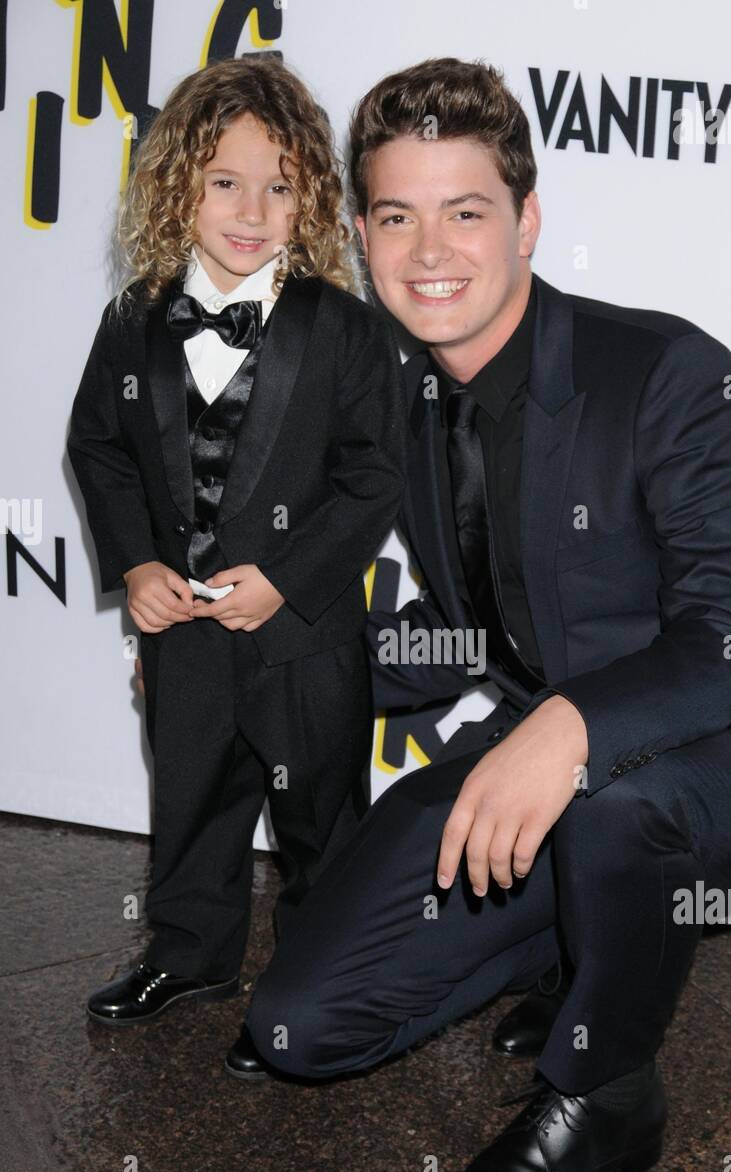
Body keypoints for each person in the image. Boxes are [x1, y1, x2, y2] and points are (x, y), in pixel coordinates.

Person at [242, 57, 731, 1172]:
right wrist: (263, 662)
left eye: (464, 211)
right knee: (298, 1030)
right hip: (553, 755)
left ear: (524, 220)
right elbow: (479, 627)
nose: (430, 248)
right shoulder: (411, 398)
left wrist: (564, 732)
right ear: (362, 233)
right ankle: (591, 943)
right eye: (395, 214)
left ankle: (603, 1087)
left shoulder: (669, 374)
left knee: (609, 810)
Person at [67, 56, 406, 1027]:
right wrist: (134, 563)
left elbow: (371, 475)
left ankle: (327, 982)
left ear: (309, 200)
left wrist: (290, 581)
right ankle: (189, 950)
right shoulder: (132, 323)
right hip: (186, 633)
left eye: (278, 186)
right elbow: (101, 450)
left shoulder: (343, 329)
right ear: (181, 184)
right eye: (225, 182)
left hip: (307, 641)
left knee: (321, 821)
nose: (251, 209)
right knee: (192, 802)